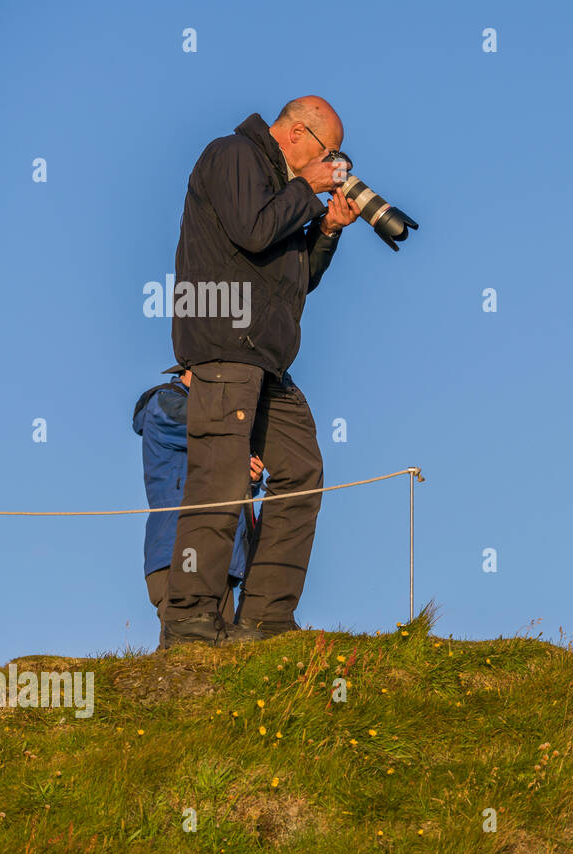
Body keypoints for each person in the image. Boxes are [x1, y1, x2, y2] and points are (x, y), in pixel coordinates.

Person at [162, 96, 359, 647]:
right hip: (225, 344)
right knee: (219, 480)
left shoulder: (283, 187)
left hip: (268, 360)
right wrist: (307, 190)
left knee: (301, 470)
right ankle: (189, 620)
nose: (334, 163)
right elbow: (252, 230)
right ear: (297, 133)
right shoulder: (233, 156)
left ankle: (266, 619)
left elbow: (295, 278)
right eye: (330, 153)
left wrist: (328, 230)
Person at [133, 366, 263, 646]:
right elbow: (206, 429)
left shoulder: (214, 419)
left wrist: (248, 476)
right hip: (176, 552)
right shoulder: (166, 404)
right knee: (185, 652)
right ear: (190, 370)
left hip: (222, 558)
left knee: (221, 660)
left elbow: (220, 464)